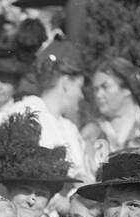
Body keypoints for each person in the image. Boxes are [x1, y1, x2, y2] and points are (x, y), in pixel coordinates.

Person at [14, 45, 88, 182]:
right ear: (66, 84)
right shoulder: (25, 112)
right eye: (79, 87)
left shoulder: (70, 129)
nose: (82, 96)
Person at [84, 58, 140, 172]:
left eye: (105, 87)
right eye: (96, 89)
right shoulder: (91, 133)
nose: (98, 95)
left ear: (127, 89)